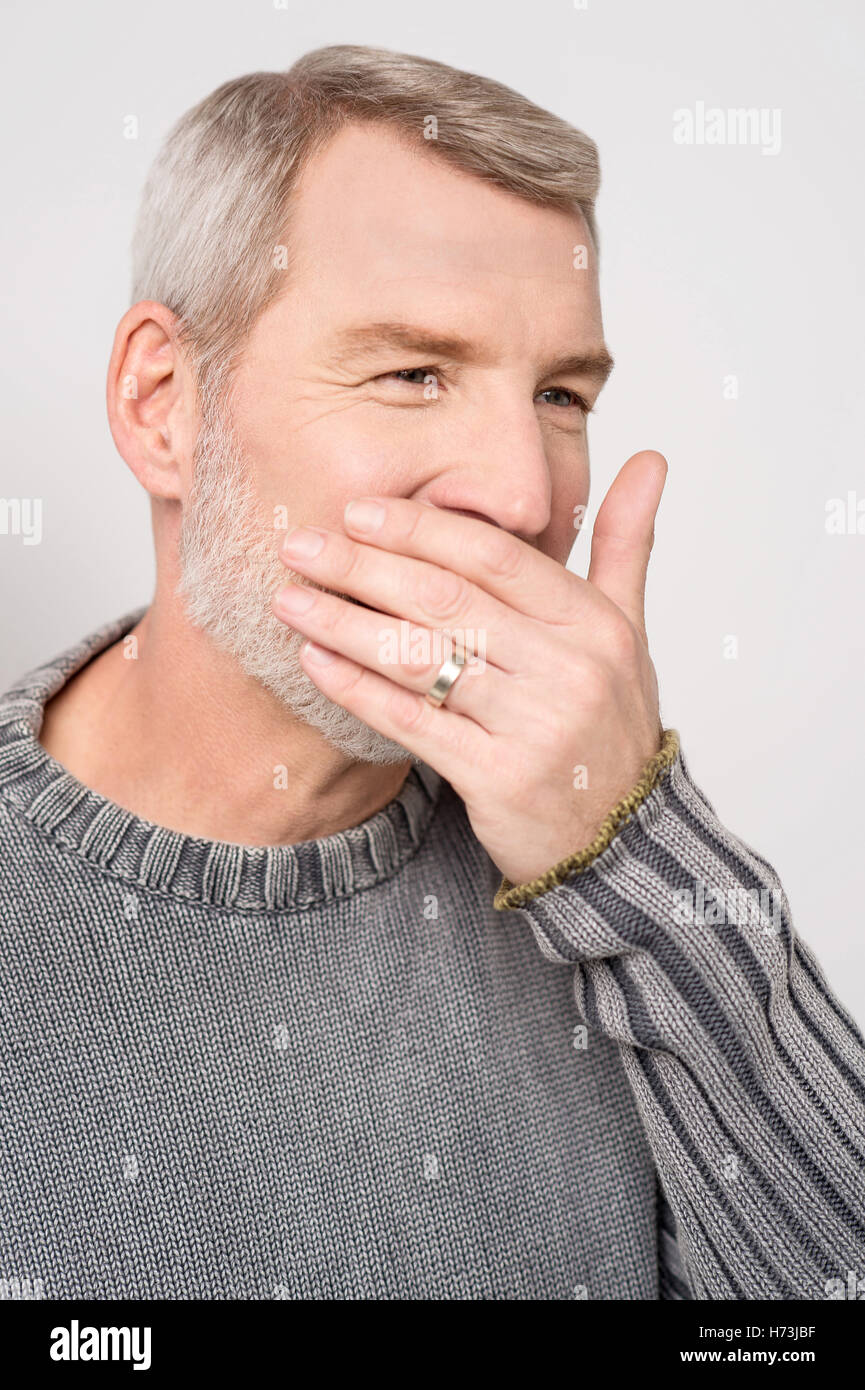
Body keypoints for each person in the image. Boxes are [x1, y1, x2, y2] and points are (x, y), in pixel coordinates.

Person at [1, 44, 862, 1300]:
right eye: (414, 374)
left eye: (561, 394)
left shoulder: (613, 873)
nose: (523, 495)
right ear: (162, 403)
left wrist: (632, 847)